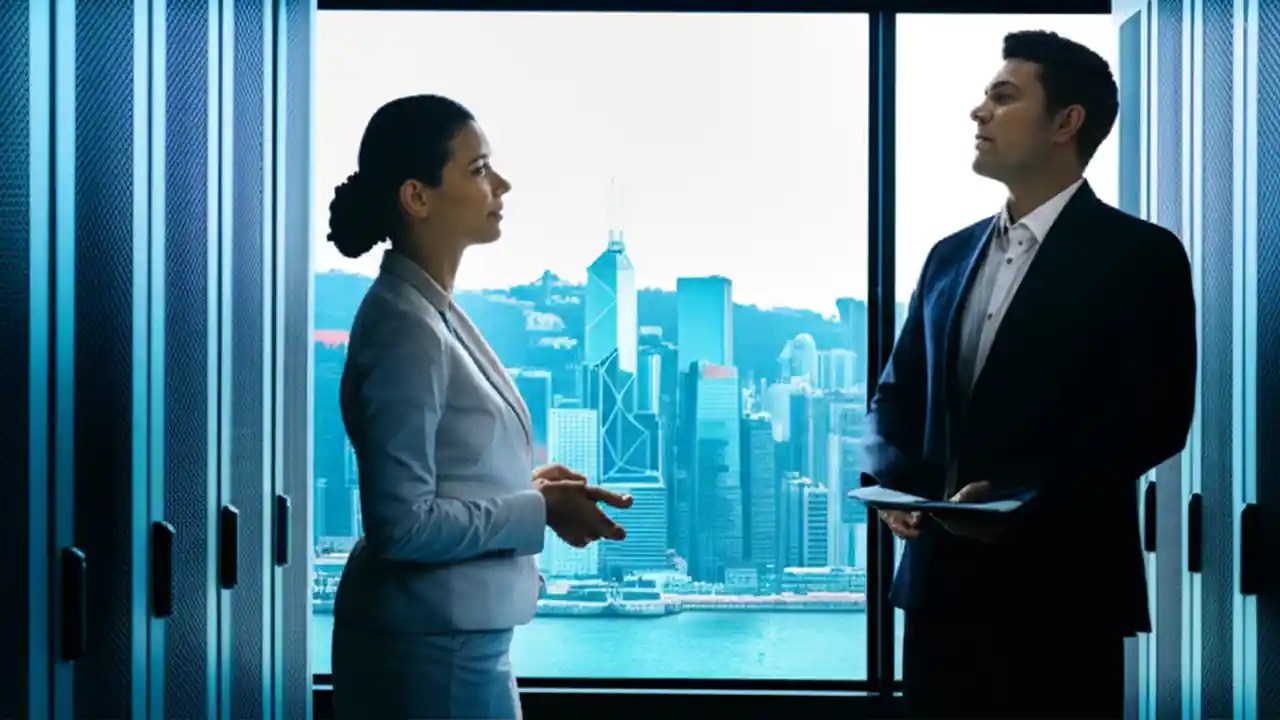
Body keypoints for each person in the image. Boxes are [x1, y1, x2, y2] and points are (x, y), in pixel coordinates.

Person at [863, 31, 1195, 719]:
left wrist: (1020, 495)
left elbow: (1156, 420)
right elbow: (896, 395)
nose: (978, 112)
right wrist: (893, 488)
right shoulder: (948, 256)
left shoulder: (1141, 256)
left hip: (1063, 589)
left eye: (1003, 96)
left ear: (1066, 123)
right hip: (937, 591)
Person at [327, 94, 633, 720]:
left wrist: (525, 489)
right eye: (477, 169)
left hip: (453, 640)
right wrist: (536, 508)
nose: (502, 184)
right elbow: (402, 525)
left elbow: (445, 475)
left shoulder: (430, 312)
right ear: (418, 197)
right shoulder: (403, 326)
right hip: (429, 652)